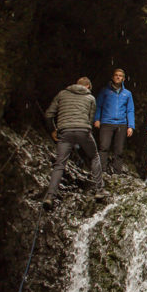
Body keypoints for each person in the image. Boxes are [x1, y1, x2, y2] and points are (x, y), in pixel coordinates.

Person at [43, 76, 104, 208]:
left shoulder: (62, 94)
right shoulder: (90, 98)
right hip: (83, 131)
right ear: (88, 86)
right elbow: (90, 120)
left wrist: (53, 130)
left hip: (64, 132)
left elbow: (48, 115)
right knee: (94, 156)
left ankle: (49, 197)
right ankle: (99, 191)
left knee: (59, 164)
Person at [94, 68, 135, 175]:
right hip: (106, 122)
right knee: (104, 147)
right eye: (116, 75)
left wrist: (131, 126)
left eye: (120, 76)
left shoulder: (127, 94)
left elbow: (130, 110)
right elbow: (98, 106)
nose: (118, 77)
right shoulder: (105, 91)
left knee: (119, 150)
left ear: (124, 79)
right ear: (113, 77)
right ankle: (102, 171)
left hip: (121, 124)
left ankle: (117, 173)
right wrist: (97, 119)